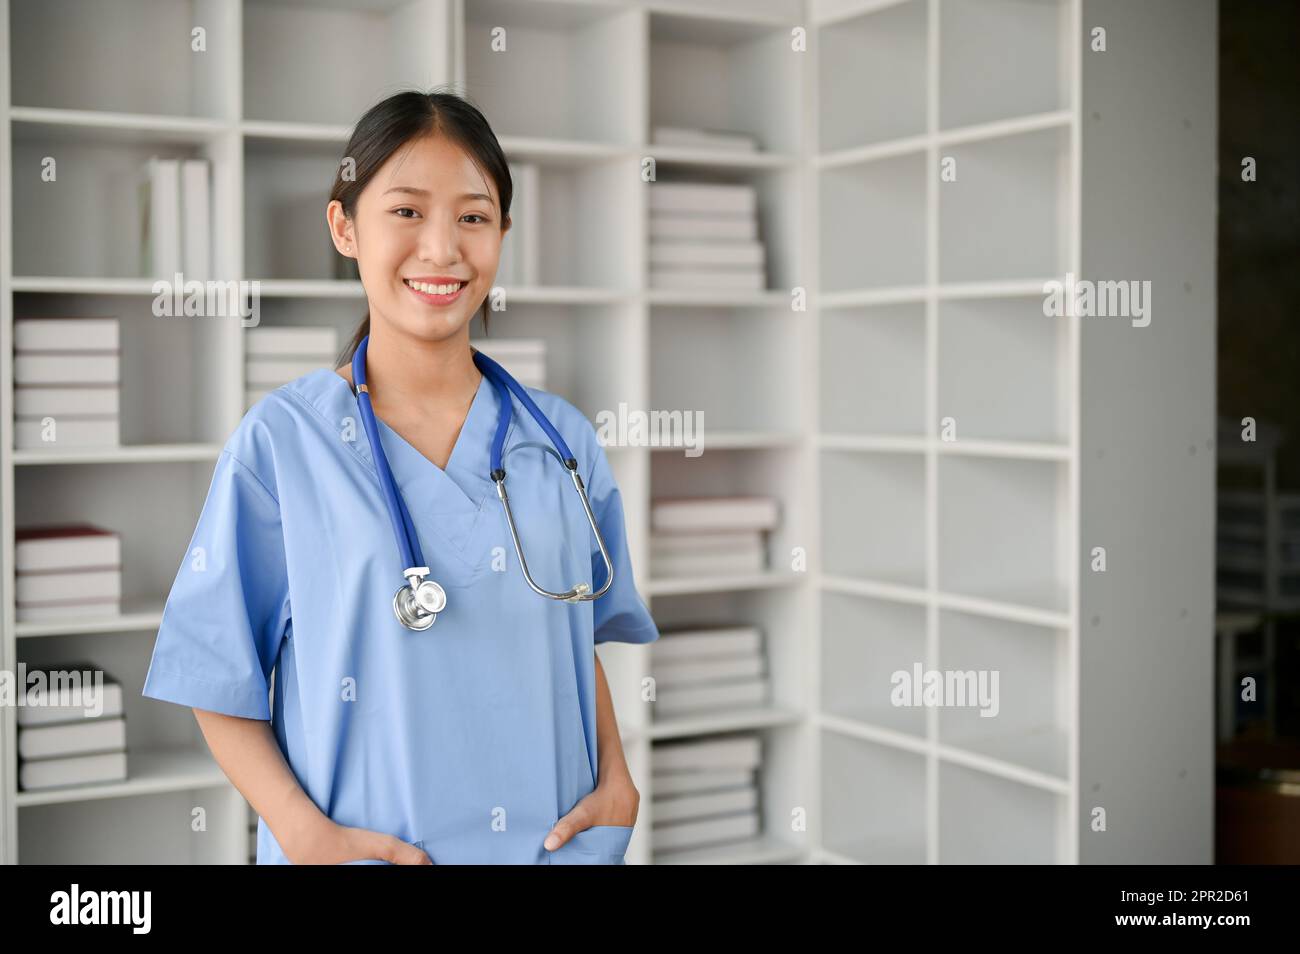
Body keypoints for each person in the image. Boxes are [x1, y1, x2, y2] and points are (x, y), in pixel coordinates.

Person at [142, 89, 659, 864]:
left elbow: (568, 638)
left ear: (502, 233)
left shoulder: (562, 440)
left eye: (474, 217)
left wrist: (617, 779)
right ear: (344, 227)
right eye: (407, 212)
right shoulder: (284, 444)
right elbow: (216, 676)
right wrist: (300, 832)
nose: (443, 250)